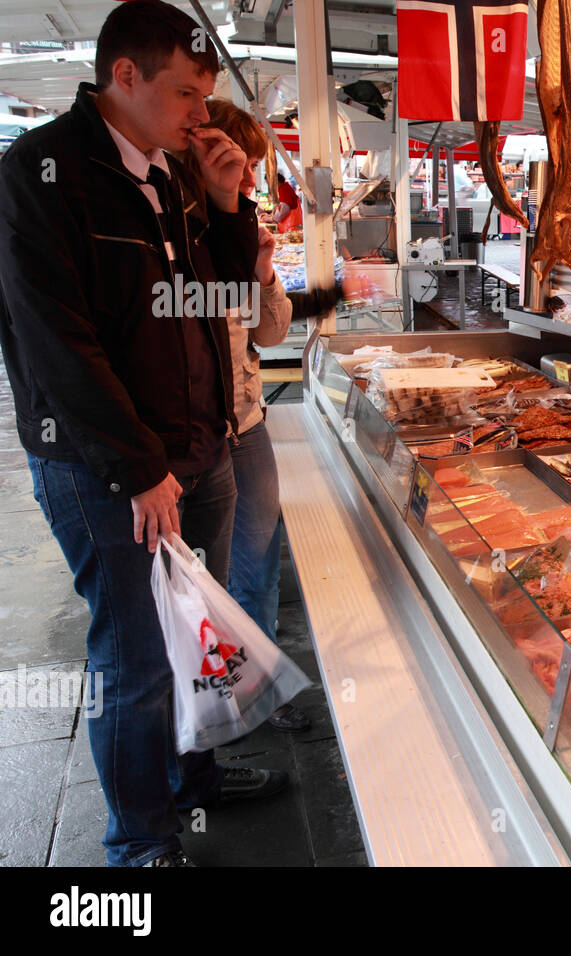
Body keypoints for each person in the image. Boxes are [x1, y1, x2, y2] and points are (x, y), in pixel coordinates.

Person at [0, 0, 288, 867]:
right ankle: (141, 842)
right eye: (187, 93)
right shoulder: (41, 172)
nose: (202, 114)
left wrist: (230, 202)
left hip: (201, 449)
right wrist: (137, 469)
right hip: (108, 469)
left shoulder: (169, 175)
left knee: (197, 635)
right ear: (123, 76)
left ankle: (191, 781)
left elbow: (223, 302)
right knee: (134, 656)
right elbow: (58, 345)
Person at [190, 100, 311, 733]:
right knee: (200, 578)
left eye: (252, 170)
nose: (253, 182)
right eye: (242, 169)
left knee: (258, 563)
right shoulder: (183, 230)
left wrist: (262, 270)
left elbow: (267, 333)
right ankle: (216, 704)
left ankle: (258, 691)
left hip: (247, 422)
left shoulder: (244, 225)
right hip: (194, 436)